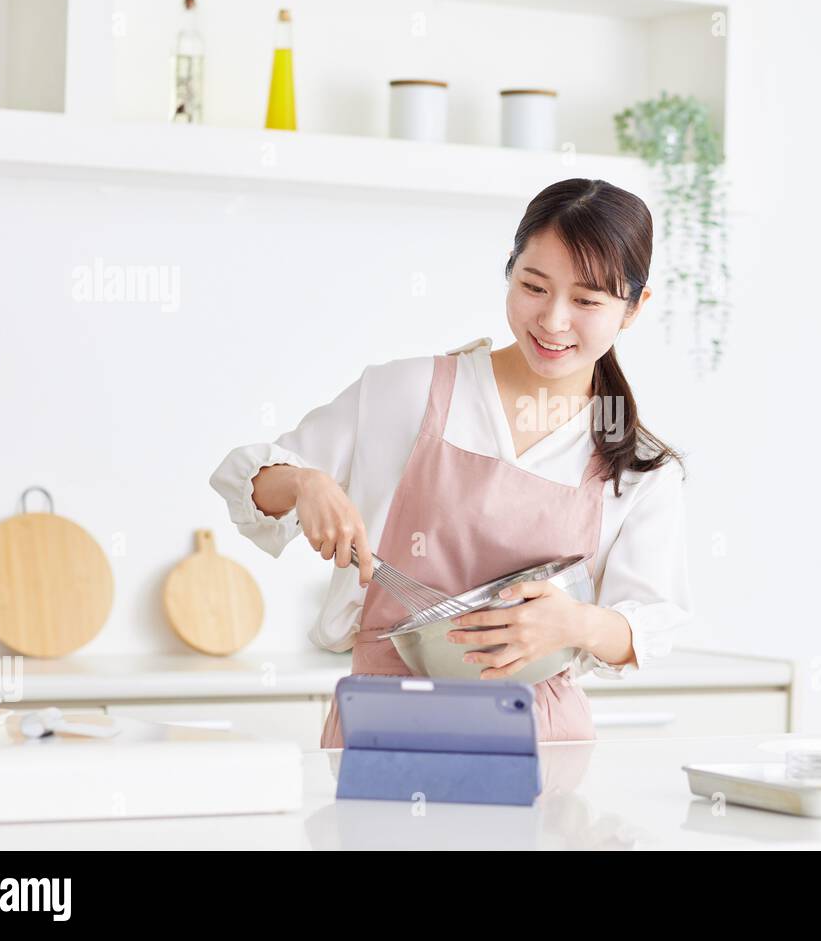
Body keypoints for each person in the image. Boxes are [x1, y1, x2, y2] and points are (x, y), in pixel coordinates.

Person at [210, 177, 693, 747]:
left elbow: (651, 626)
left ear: (634, 308)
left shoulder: (636, 465)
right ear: (509, 271)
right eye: (534, 287)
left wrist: (575, 623)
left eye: (587, 301)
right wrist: (304, 483)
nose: (554, 320)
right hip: (386, 723)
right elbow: (250, 483)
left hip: (542, 737)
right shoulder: (407, 391)